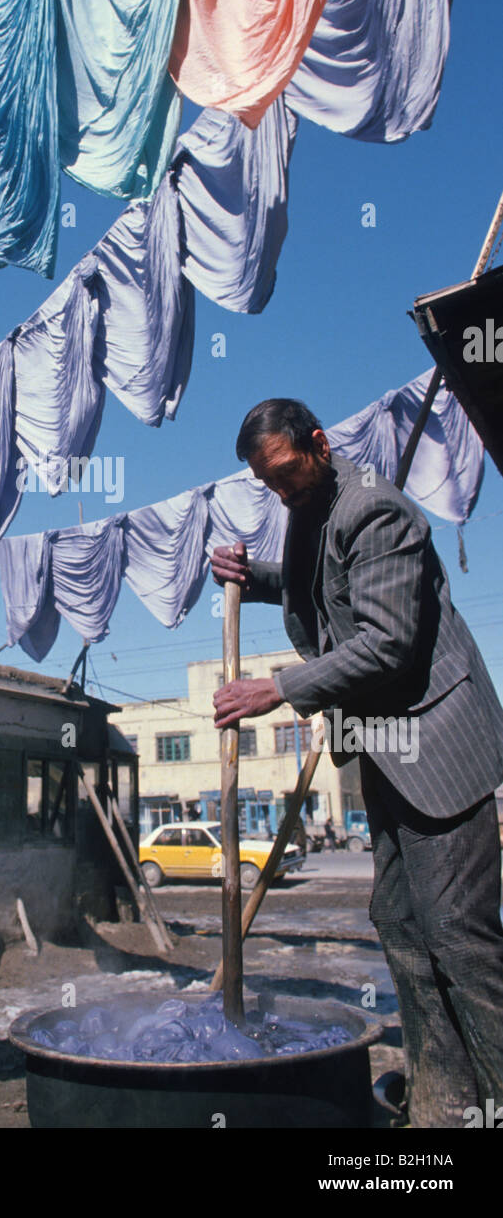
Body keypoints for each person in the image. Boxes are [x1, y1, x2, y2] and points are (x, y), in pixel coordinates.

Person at [209, 397, 503, 1129]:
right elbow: (325, 589)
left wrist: (273, 689)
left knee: (455, 933)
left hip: (437, 746)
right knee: (399, 923)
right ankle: (448, 1100)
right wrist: (256, 574)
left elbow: (384, 643)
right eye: (266, 484)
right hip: (386, 749)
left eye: (285, 474)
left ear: (318, 443)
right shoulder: (309, 509)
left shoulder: (378, 512)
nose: (280, 492)